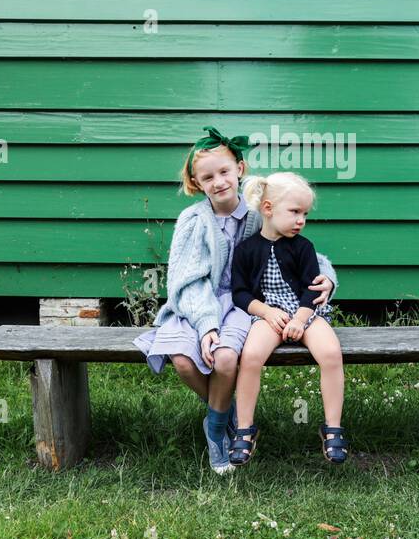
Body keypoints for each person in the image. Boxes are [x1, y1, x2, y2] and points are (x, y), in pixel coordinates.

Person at [132, 129, 338, 474]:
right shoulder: (193, 221)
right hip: (196, 306)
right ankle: (224, 414)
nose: (218, 182)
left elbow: (304, 251)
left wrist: (328, 277)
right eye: (207, 177)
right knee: (183, 360)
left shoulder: (261, 212)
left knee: (225, 359)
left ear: (240, 169)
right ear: (197, 183)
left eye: (224, 172)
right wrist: (207, 324)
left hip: (243, 305)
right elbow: (185, 281)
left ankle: (216, 431)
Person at [228, 171, 348, 466]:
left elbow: (312, 290)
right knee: (252, 355)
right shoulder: (246, 250)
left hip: (305, 312)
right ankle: (245, 429)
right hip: (269, 314)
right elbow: (240, 293)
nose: (301, 220)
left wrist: (300, 319)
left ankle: (332, 428)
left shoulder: (303, 247)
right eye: (294, 212)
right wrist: (266, 312)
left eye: (305, 214)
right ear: (268, 209)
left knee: (331, 353)